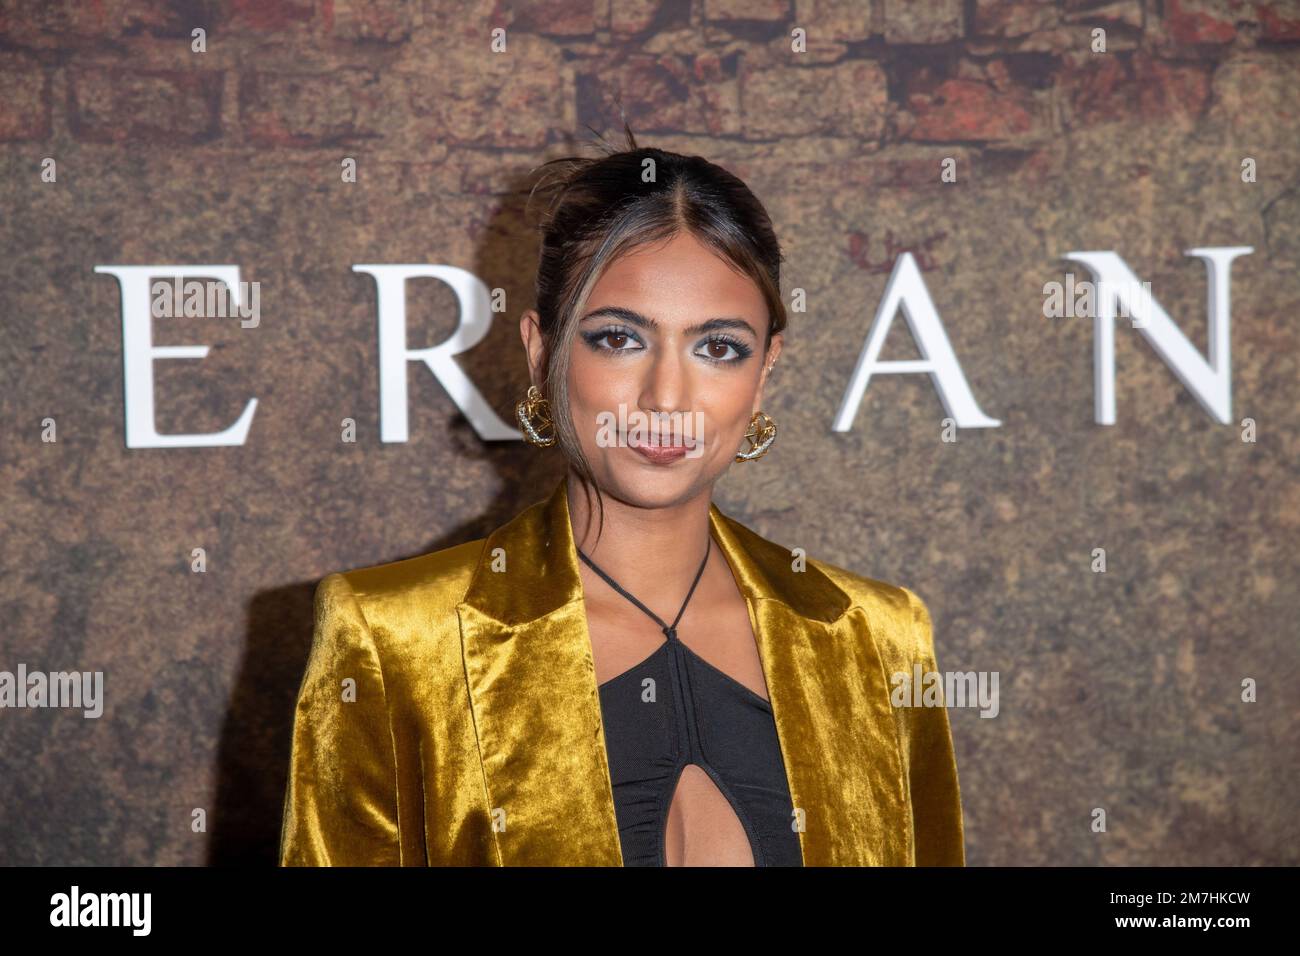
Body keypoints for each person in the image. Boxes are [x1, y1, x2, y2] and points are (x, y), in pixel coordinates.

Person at [278, 128, 965, 867]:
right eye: (618, 338)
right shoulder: (393, 642)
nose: (666, 396)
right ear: (542, 353)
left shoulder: (881, 639)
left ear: (765, 370)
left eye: (718, 347)